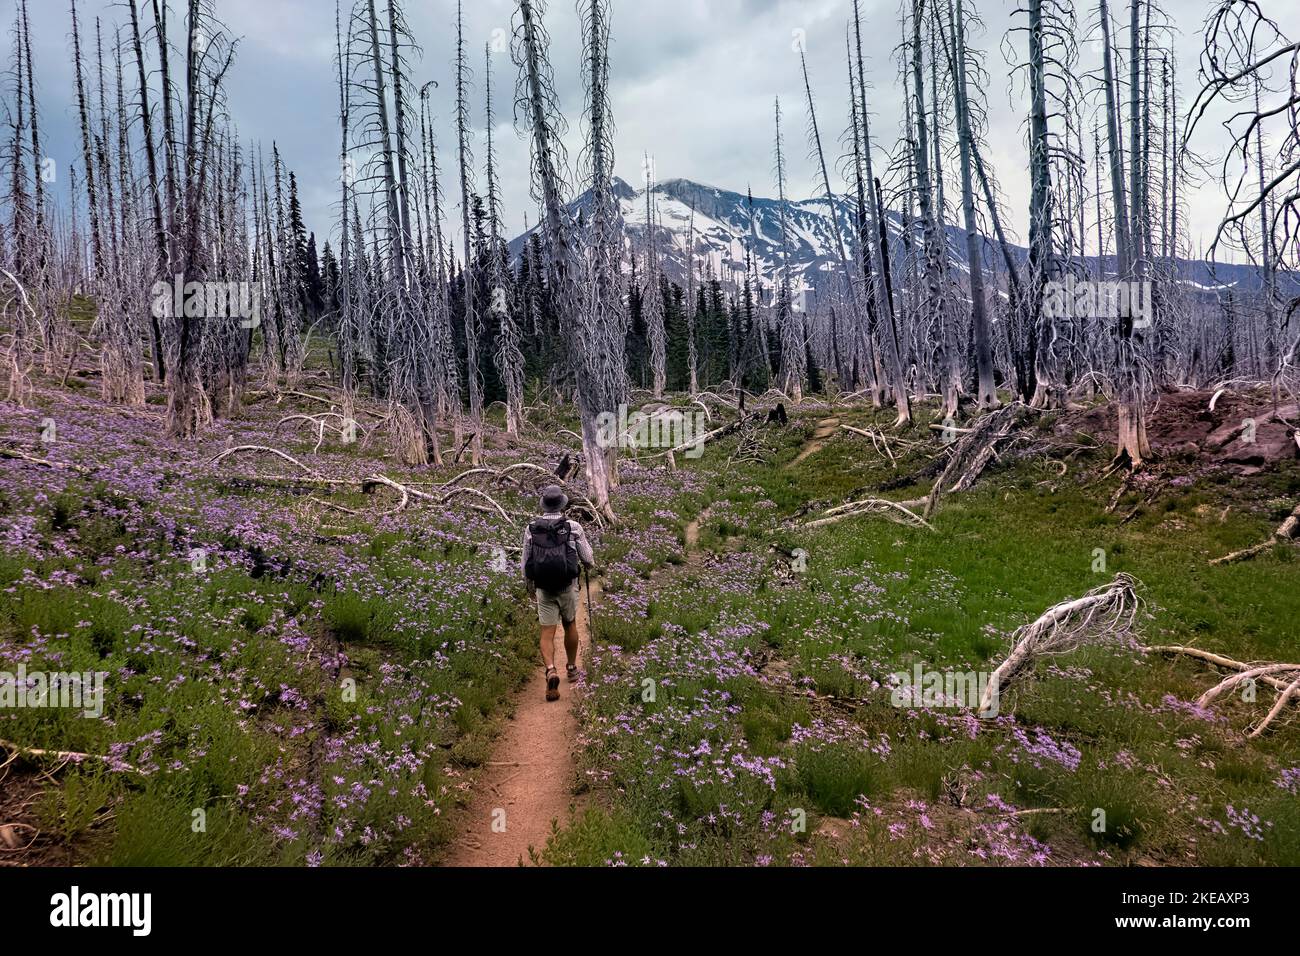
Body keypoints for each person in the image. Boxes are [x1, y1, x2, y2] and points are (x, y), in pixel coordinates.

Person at [521, 485, 595, 702]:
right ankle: (572, 668)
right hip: (568, 586)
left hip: (543, 587)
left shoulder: (532, 528)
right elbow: (587, 557)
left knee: (547, 632)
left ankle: (551, 669)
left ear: (543, 505)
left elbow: (526, 561)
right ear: (563, 504)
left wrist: (529, 586)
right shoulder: (573, 527)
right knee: (570, 624)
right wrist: (589, 567)